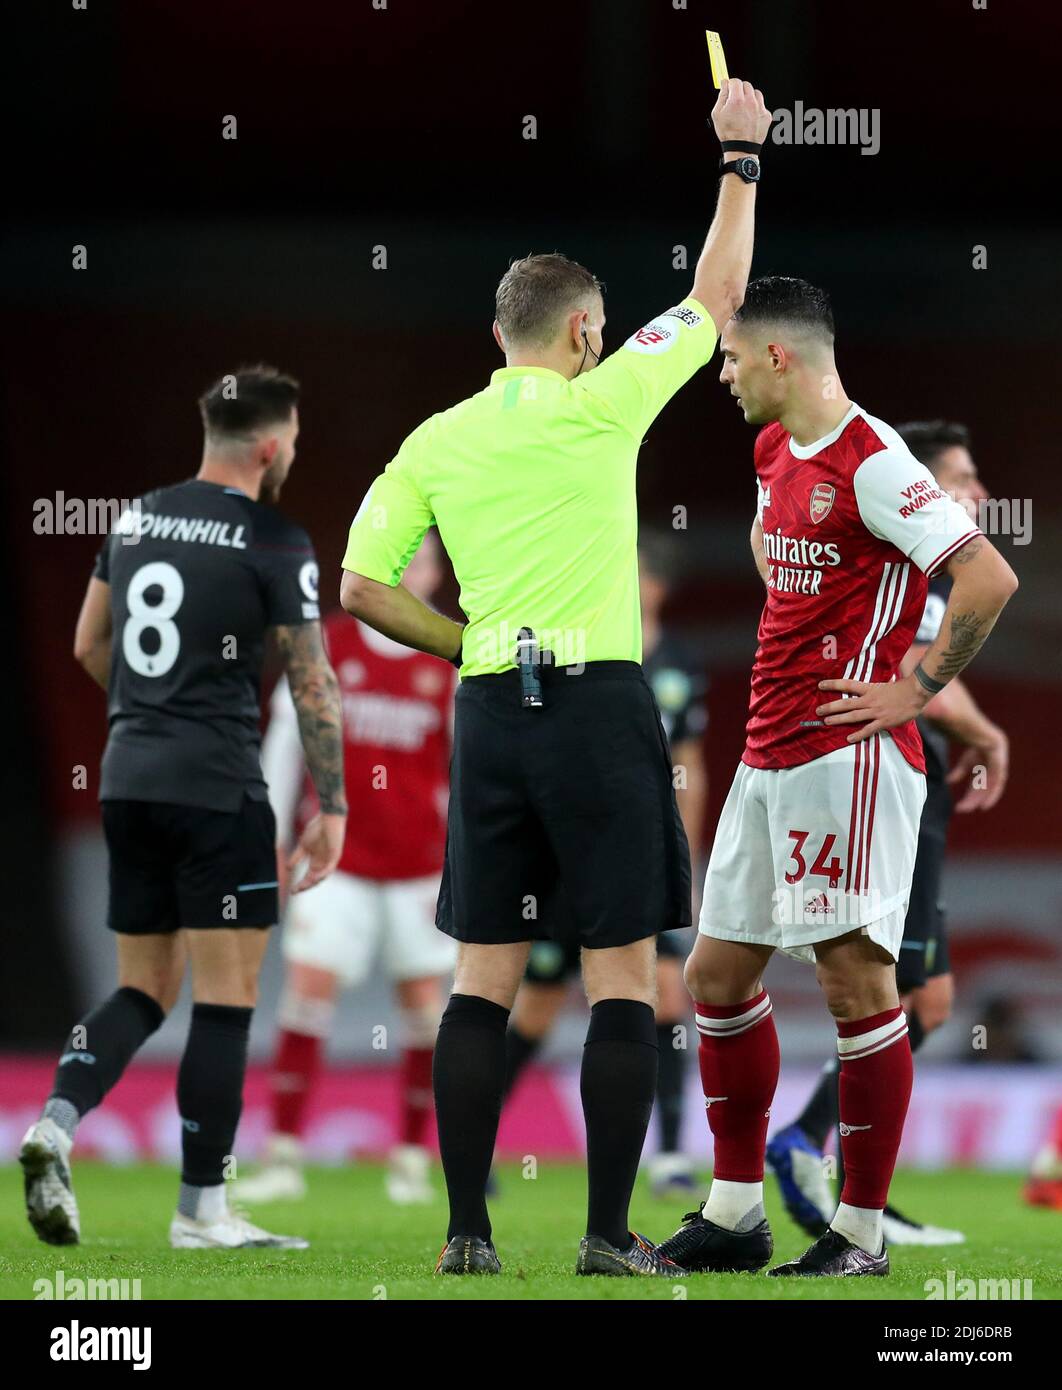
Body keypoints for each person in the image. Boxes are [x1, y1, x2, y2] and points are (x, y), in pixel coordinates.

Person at [340, 77, 773, 1277]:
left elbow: (361, 586)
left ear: (497, 337)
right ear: (586, 334)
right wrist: (740, 160)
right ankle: (601, 1234)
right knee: (621, 975)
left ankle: (467, 1235)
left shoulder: (437, 437)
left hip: (490, 711)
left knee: (480, 977)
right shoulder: (606, 401)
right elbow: (716, 297)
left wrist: (470, 643)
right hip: (594, 708)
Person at [654, 277, 1018, 1278]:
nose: (720, 375)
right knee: (716, 975)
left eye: (731, 358)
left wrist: (917, 687)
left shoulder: (874, 463)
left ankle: (859, 1234)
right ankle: (733, 1216)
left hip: (846, 760)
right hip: (766, 750)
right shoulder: (773, 450)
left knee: (855, 982)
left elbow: (987, 577)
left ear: (778, 356)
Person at [20, 367, 347, 1250]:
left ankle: (54, 1120)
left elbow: (90, 641)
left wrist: (148, 715)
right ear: (273, 447)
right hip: (219, 789)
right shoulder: (275, 538)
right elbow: (313, 679)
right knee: (228, 998)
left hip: (128, 783)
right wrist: (336, 805)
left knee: (141, 987)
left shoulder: (133, 519)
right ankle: (203, 1209)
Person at [766, 420, 1010, 1247]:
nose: (978, 493)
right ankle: (817, 1154)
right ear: (927, 485)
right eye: (964, 477)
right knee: (901, 993)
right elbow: (914, 674)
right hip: (888, 780)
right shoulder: (913, 553)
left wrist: (974, 730)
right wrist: (985, 732)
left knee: (920, 998)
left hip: (907, 784)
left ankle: (834, 1166)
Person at [236, 533, 456, 1206]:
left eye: (426, 557)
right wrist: (269, 832)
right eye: (403, 556)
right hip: (335, 859)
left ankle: (413, 1161)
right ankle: (281, 1156)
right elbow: (282, 737)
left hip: (422, 864)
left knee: (425, 1010)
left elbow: (471, 770)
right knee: (306, 993)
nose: (414, 567)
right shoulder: (329, 643)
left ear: (441, 572)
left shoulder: (452, 653)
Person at [499, 533, 709, 1198]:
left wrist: (688, 859)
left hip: (646, 854)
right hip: (566, 863)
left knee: (668, 994)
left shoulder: (677, 666)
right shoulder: (581, 646)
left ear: (658, 587)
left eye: (640, 575)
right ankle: (479, 1136)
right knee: (535, 1008)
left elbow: (692, 770)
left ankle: (672, 1154)